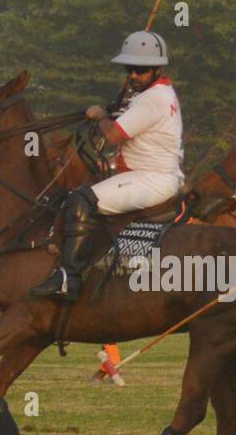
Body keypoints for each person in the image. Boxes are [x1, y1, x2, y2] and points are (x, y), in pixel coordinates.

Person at [30, 30, 185, 302]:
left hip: (152, 180)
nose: (133, 75)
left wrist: (100, 115)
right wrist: (116, 111)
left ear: (157, 68)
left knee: (81, 199)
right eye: (130, 69)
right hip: (150, 176)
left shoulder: (152, 99)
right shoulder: (157, 93)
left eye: (140, 70)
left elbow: (112, 135)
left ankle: (69, 278)